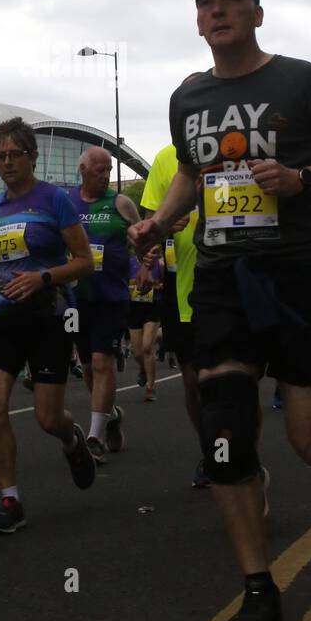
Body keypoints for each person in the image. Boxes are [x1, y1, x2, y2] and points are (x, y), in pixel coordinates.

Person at [129, 0, 311, 621]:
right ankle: (258, 586)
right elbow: (193, 176)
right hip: (222, 277)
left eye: (231, 0)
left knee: (309, 440)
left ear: (257, 15)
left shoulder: (300, 79)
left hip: (297, 272)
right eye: (206, 4)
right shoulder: (188, 96)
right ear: (198, 23)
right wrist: (162, 222)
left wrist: (301, 178)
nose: (217, 10)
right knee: (223, 425)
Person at [0, 116, 96, 533]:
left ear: (32, 157)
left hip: (48, 317)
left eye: (14, 154)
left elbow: (84, 262)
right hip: (2, 319)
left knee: (47, 418)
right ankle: (10, 500)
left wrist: (43, 277)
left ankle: (71, 439)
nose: (6, 162)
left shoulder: (55, 200)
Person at [140, 144, 211, 487]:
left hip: (234, 282)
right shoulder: (166, 159)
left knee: (233, 380)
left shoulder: (241, 144)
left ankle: (237, 454)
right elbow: (149, 231)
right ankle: (212, 451)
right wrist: (166, 225)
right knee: (193, 382)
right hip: (183, 292)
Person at [67, 147, 140, 462]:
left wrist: (146, 262)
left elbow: (142, 239)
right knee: (87, 367)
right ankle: (109, 415)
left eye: (109, 170)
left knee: (102, 362)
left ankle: (94, 436)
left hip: (111, 296)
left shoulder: (120, 203)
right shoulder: (66, 203)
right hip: (78, 298)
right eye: (100, 170)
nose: (107, 176)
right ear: (83, 169)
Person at [128, 253, 162, 401]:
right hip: (134, 308)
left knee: (148, 347)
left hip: (152, 307)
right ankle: (143, 368)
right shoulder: (129, 262)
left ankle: (150, 387)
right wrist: (132, 285)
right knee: (137, 353)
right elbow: (123, 283)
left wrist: (154, 284)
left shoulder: (160, 265)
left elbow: (165, 285)